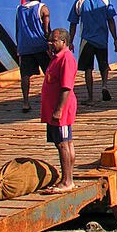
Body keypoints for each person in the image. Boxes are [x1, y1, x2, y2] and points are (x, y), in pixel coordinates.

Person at [67, 0, 117, 104]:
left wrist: (70, 41)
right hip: (102, 38)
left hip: (87, 40)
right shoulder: (105, 0)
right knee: (103, 64)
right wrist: (115, 39)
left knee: (88, 68)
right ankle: (104, 85)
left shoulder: (79, 2)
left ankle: (90, 97)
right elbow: (111, 21)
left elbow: (73, 24)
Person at [40, 28, 78, 193]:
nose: (50, 43)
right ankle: (66, 178)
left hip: (61, 109)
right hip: (54, 108)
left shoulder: (66, 59)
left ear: (64, 42)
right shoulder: (56, 58)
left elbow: (66, 87)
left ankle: (68, 180)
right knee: (65, 142)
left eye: (54, 41)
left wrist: (58, 110)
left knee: (63, 144)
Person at [15, 0, 51, 112]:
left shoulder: (20, 9)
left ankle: (25, 102)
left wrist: (19, 46)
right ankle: (50, 98)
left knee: (25, 76)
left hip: (25, 46)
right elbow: (47, 30)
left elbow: (18, 29)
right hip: (39, 44)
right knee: (49, 73)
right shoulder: (43, 8)